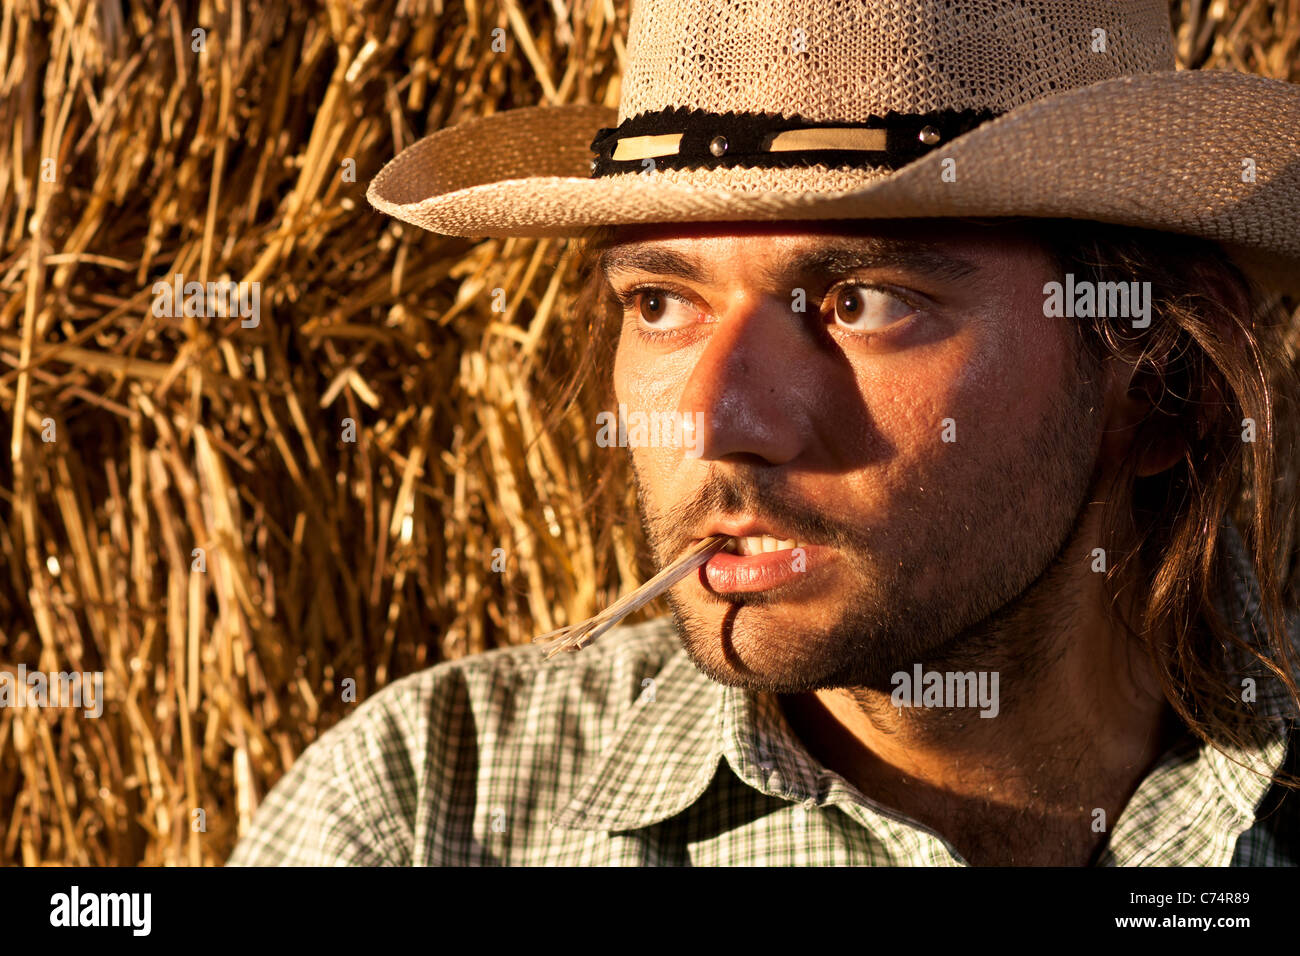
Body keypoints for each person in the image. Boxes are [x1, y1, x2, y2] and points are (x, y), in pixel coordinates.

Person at [228, 0, 1300, 866]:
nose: (718, 419)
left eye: (862, 301)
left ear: (1164, 387)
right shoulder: (421, 815)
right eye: (660, 302)